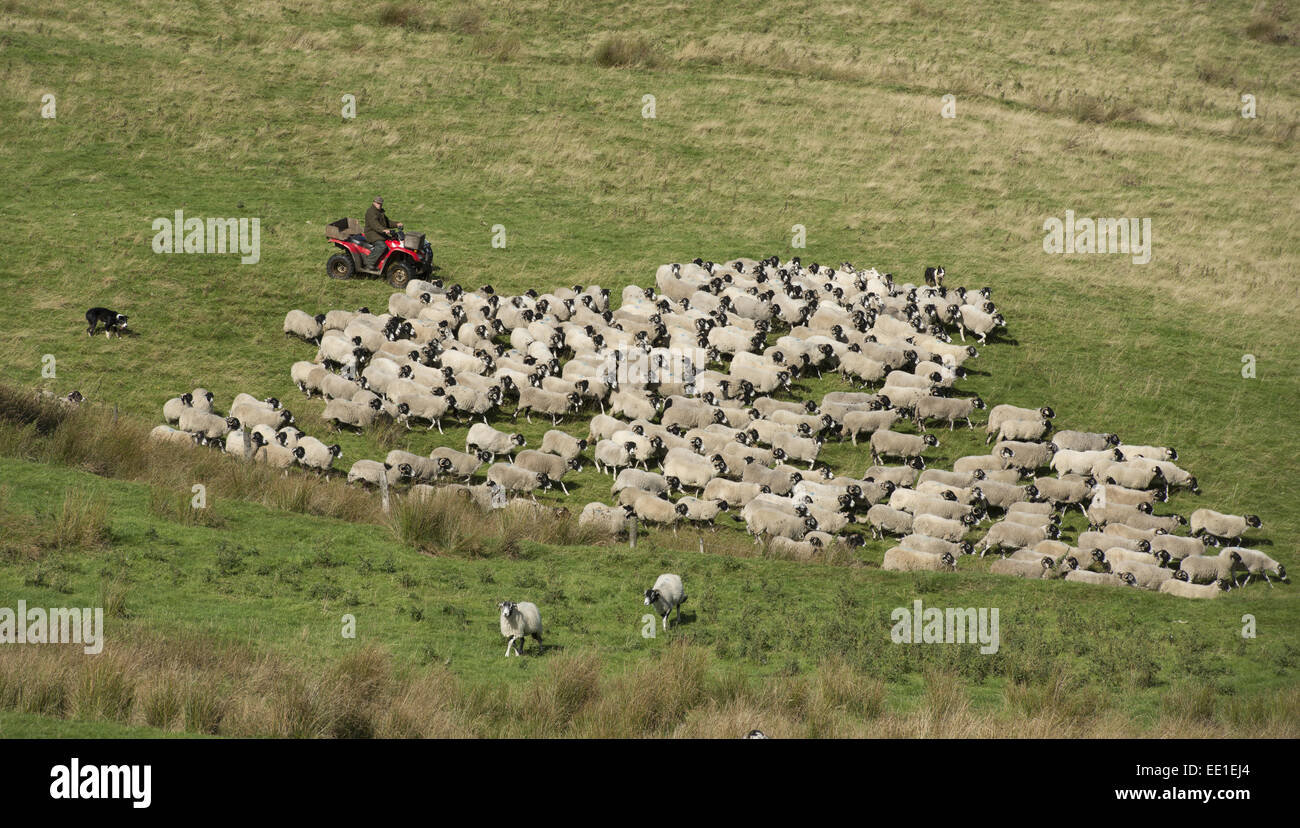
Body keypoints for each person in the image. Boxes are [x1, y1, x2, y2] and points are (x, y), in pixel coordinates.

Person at [363, 196, 402, 270]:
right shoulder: (371, 212)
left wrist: (397, 224)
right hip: (372, 233)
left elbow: (387, 222)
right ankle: (369, 263)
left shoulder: (380, 212)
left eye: (381, 204)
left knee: (393, 242)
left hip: (379, 233)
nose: (379, 205)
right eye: (378, 203)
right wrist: (384, 230)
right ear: (373, 202)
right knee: (382, 246)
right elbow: (375, 225)